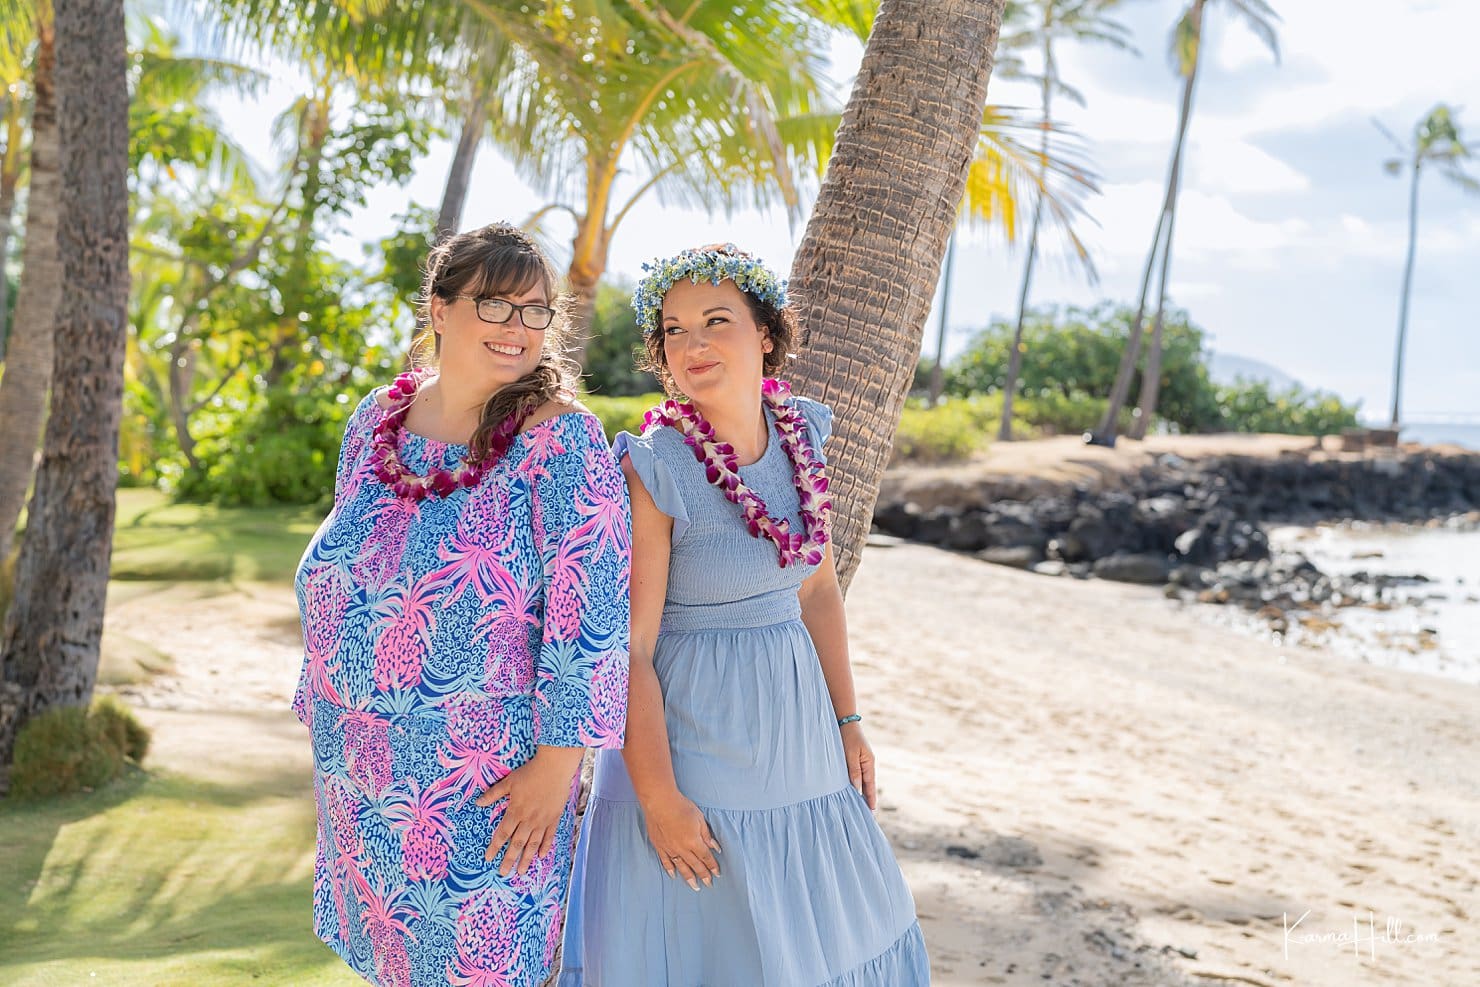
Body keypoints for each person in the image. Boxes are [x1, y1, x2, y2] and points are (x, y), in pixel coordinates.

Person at [559, 244, 929, 985]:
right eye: (673, 329)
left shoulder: (803, 440)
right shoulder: (655, 463)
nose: (692, 345)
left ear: (765, 331)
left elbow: (818, 590)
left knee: (838, 938)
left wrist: (850, 722)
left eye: (716, 321)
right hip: (695, 752)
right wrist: (659, 801)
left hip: (800, 748)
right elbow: (628, 649)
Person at [291, 222, 630, 987]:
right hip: (361, 767)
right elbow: (346, 563)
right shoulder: (377, 419)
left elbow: (595, 618)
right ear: (438, 310)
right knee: (393, 963)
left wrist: (558, 767)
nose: (518, 329)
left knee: (483, 967)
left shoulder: (562, 443)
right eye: (496, 305)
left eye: (535, 310)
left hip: (487, 779)